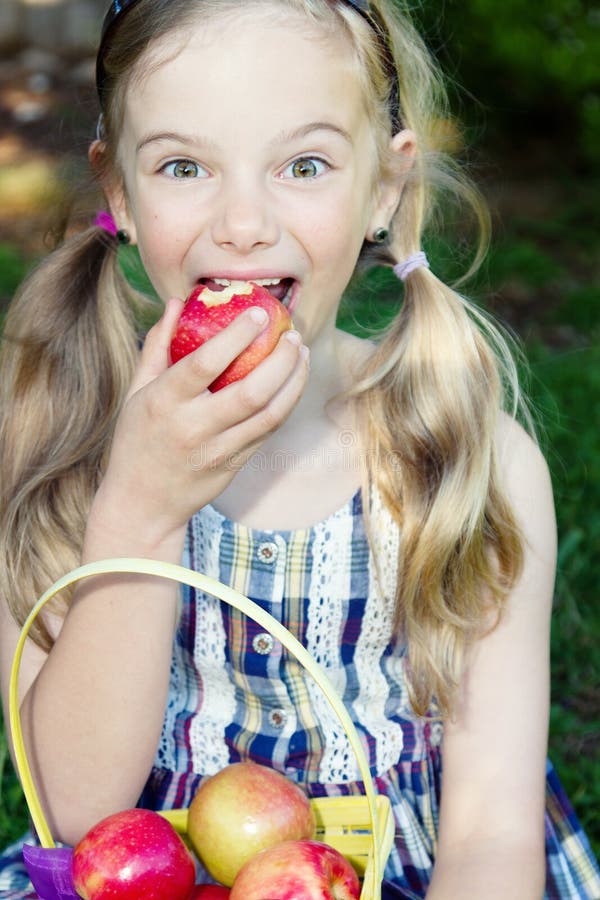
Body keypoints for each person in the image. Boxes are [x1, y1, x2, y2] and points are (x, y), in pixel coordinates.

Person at [0, 0, 598, 897]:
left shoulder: (471, 462)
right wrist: (142, 506)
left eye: (305, 164)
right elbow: (81, 818)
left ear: (384, 190)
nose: (243, 224)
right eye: (184, 165)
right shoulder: (58, 443)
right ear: (118, 192)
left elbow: (492, 830)